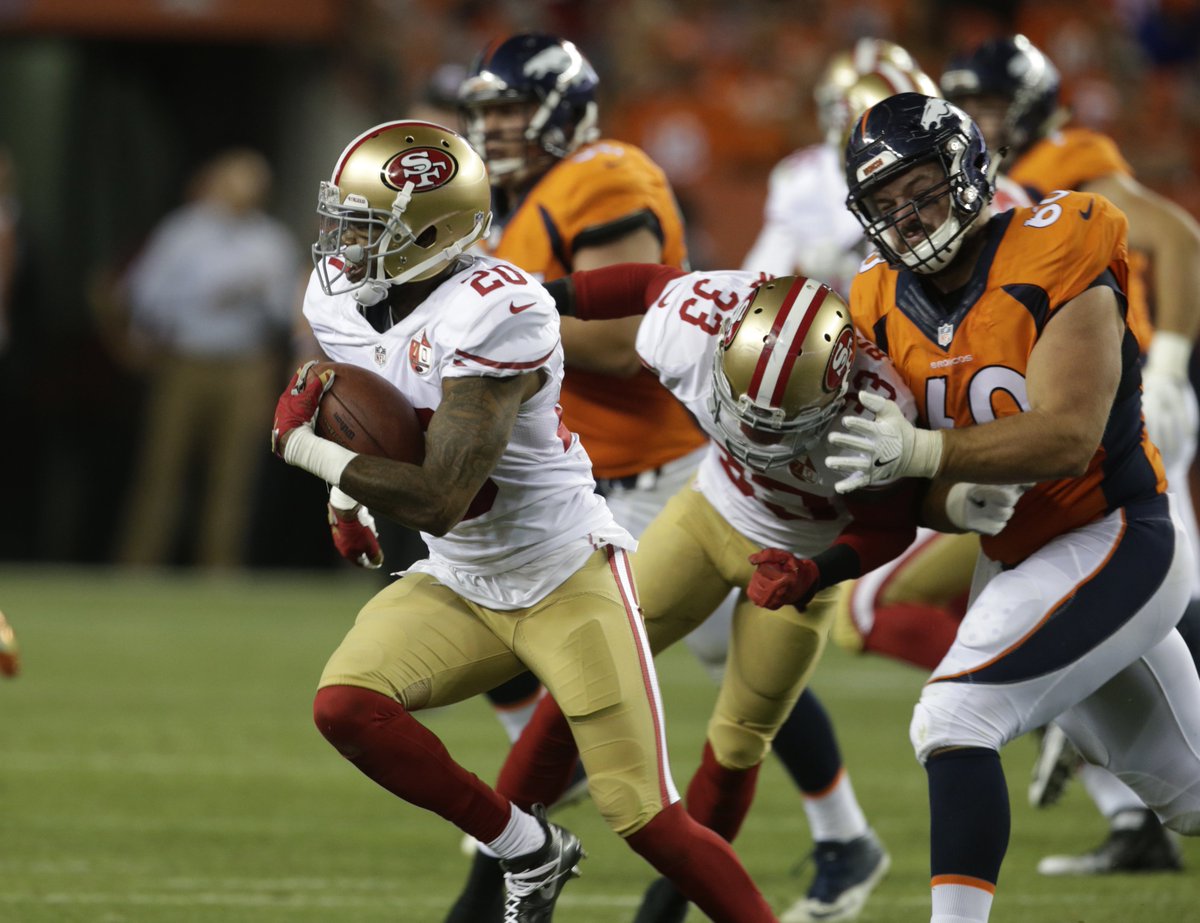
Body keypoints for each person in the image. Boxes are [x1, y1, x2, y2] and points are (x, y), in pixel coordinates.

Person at [274, 118, 782, 923]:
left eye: (367, 225)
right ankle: (528, 849)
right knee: (345, 705)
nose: (340, 242)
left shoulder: (498, 308)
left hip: (561, 576)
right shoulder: (339, 294)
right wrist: (347, 493)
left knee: (650, 822)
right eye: (342, 217)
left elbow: (440, 489)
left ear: (430, 231)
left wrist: (306, 454)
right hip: (462, 576)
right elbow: (373, 408)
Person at [445, 261, 1022, 923]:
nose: (757, 430)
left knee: (740, 738)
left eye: (783, 420)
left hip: (799, 556)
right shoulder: (694, 323)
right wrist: (539, 297)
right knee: (582, 678)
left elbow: (887, 526)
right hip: (705, 513)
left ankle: (667, 906)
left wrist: (817, 572)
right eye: (744, 403)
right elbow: (646, 285)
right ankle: (485, 890)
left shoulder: (879, 409)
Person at [829, 91, 1200, 923]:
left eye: (920, 189)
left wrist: (929, 452)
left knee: (955, 717)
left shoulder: (1059, 240)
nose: (907, 217)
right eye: (885, 206)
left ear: (966, 170)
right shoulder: (875, 301)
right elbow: (889, 487)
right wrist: (934, 491)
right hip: (1016, 560)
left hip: (1114, 533)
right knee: (1192, 797)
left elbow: (1068, 434)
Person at [940, 33, 1200, 875]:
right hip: (1062, 403)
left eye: (985, 104)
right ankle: (1123, 782)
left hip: (1118, 399)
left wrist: (1164, 361)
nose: (972, 121)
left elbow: (1178, 237)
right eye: (964, 105)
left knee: (1162, 582)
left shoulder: (1067, 157)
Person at [117, 148, 300, 568]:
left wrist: (259, 292)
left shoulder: (270, 240)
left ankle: (219, 573)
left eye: (255, 183)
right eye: (238, 179)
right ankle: (137, 568)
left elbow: (283, 312)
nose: (246, 190)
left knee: (233, 478)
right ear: (217, 181)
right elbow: (143, 295)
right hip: (185, 362)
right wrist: (206, 296)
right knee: (162, 470)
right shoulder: (182, 232)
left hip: (245, 367)